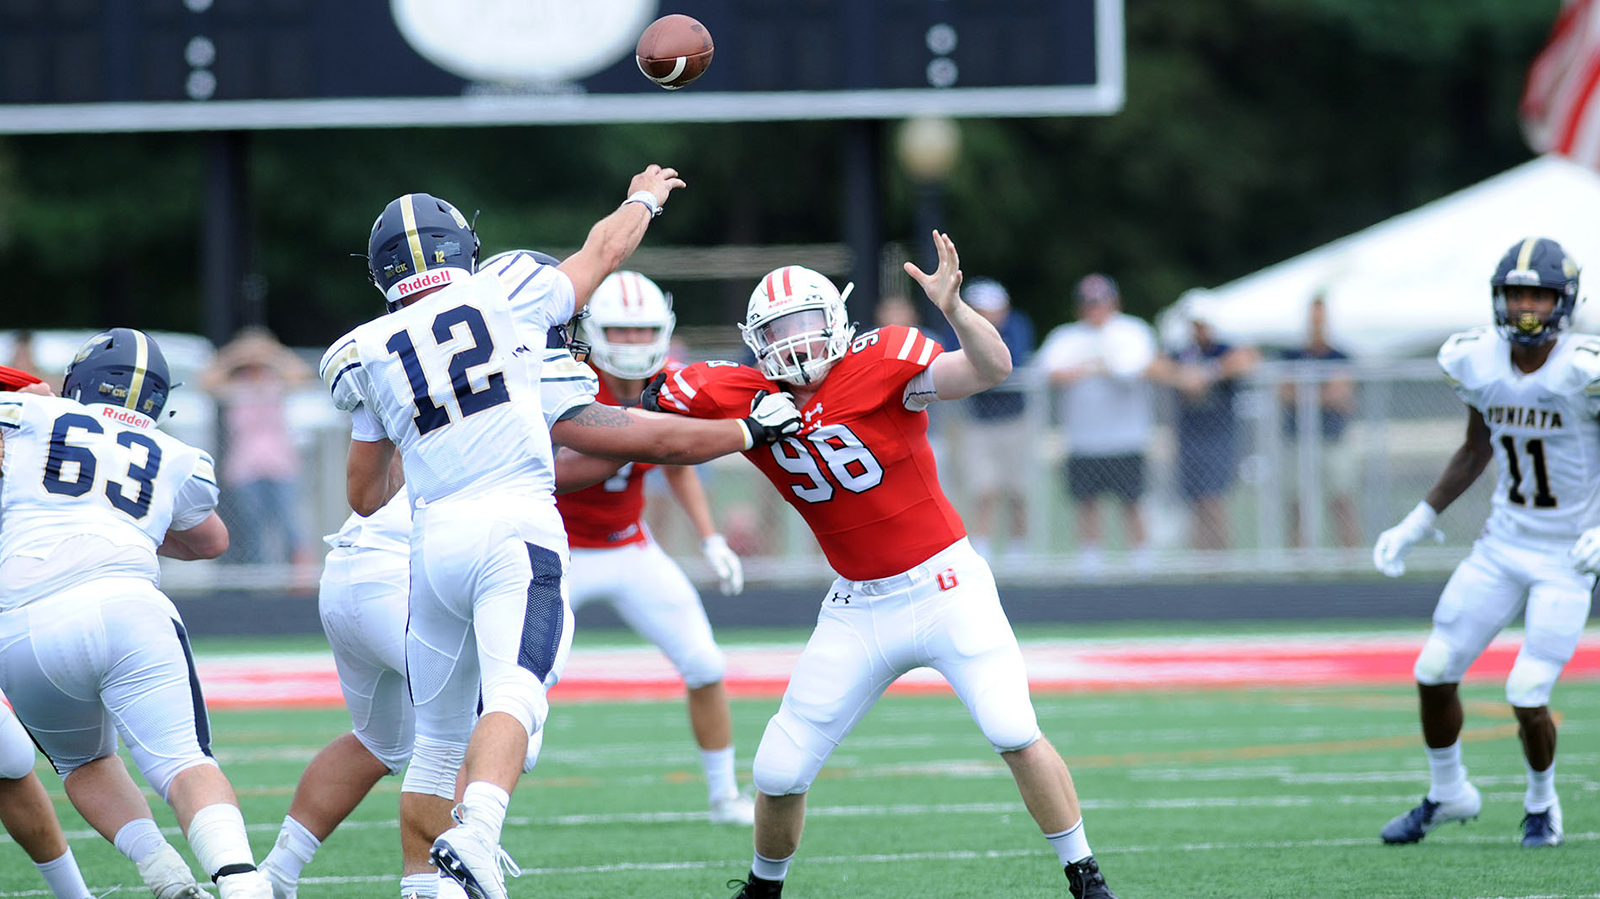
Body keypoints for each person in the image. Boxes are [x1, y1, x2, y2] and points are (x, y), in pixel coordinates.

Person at [265, 255, 795, 899]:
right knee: (503, 721)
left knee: (398, 740)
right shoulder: (520, 351)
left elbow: (365, 490)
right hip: (440, 559)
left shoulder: (409, 351)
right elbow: (625, 449)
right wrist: (739, 430)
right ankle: (468, 850)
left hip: (364, 563)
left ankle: (274, 880)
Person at [645, 232, 1120, 899]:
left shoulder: (883, 357)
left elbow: (989, 369)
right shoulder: (740, 390)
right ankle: (761, 889)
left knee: (1013, 727)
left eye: (806, 324)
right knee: (778, 771)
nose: (795, 342)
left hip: (947, 584)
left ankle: (1087, 877)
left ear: (838, 321)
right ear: (754, 338)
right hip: (858, 603)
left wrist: (955, 309)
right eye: (778, 330)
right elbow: (640, 416)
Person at [0, 329, 272, 899]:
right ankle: (242, 884)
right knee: (183, 763)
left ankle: (162, 872)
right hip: (126, 605)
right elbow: (210, 541)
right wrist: (130, 519)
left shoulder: (25, 414)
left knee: (83, 763)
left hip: (21, 626)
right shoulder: (178, 456)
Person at [1374, 237, 1595, 850]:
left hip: (1568, 553)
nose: (1526, 306)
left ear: (1563, 301)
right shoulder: (1478, 360)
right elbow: (1476, 449)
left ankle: (1542, 804)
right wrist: (1418, 519)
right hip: (1502, 543)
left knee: (1527, 691)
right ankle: (1450, 794)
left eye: (1538, 294)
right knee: (1434, 668)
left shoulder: (1586, 369)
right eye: (1516, 293)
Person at [563, 270, 756, 825]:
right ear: (593, 331)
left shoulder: (672, 385)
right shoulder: (565, 382)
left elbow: (678, 465)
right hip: (560, 550)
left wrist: (710, 536)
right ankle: (481, 805)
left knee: (704, 663)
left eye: (644, 330)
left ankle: (724, 797)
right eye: (619, 332)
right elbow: (550, 474)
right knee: (520, 684)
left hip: (630, 546)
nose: (632, 343)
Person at [1037, 274, 1156, 570]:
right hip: (1082, 439)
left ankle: (1141, 559)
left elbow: (1132, 370)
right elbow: (1051, 372)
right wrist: (1097, 366)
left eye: (1100, 301)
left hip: (1127, 436)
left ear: (1114, 302)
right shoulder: (1065, 336)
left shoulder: (1133, 330)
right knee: (1086, 502)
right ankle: (1090, 560)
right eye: (1088, 302)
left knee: (1133, 500)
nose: (1094, 308)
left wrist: (1092, 367)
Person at [1148, 295, 1259, 550]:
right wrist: (1182, 377)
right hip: (1189, 437)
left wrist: (1208, 374)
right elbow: (1154, 366)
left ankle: (1220, 558)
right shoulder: (1183, 353)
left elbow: (1247, 358)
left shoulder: (1222, 350)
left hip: (1219, 437)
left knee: (1213, 500)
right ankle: (1201, 562)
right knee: (1195, 502)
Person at [199, 327, 315, 566]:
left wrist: (271, 354)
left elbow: (302, 376)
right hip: (245, 468)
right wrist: (237, 355)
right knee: (255, 529)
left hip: (282, 465)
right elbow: (206, 382)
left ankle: (298, 578)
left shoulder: (277, 382)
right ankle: (263, 579)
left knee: (291, 524)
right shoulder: (234, 385)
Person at [937, 278, 1035, 559]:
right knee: (983, 489)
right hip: (976, 422)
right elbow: (958, 359)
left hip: (1015, 420)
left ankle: (1019, 549)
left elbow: (1007, 363)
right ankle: (982, 547)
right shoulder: (957, 328)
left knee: (1018, 489)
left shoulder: (1016, 325)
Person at [1279, 294, 1359, 548]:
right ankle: (1299, 560)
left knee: (1341, 498)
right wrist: (1323, 393)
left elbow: (1342, 394)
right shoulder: (1291, 355)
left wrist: (1304, 393)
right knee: (1297, 503)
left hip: (1332, 439)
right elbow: (1283, 392)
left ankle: (1349, 560)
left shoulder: (1340, 356)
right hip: (1298, 440)